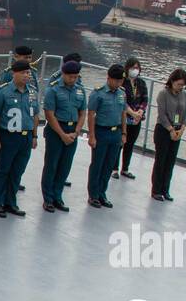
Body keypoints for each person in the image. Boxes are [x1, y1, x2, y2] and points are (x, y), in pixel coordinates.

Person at [0, 58, 40, 218]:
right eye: (24, 72)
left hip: (25, 137)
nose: (27, 76)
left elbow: (36, 114)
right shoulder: (4, 91)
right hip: (8, 136)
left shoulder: (32, 92)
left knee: (17, 171)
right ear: (14, 73)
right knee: (3, 170)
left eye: (28, 73)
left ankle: (11, 202)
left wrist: (34, 135)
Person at [40, 59, 86, 213]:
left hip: (73, 130)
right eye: (71, 77)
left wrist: (77, 131)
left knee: (65, 165)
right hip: (56, 130)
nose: (73, 80)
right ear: (64, 74)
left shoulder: (80, 90)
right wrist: (62, 134)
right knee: (52, 165)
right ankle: (48, 198)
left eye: (76, 77)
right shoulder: (53, 90)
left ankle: (57, 196)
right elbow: (49, 114)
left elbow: (83, 112)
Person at [86, 64, 127, 209]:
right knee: (97, 164)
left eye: (120, 81)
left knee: (109, 165)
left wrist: (123, 133)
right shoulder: (98, 93)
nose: (118, 83)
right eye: (116, 80)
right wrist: (92, 136)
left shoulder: (122, 93)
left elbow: (123, 113)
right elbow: (91, 114)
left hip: (115, 133)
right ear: (108, 78)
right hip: (102, 131)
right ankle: (93, 195)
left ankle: (102, 193)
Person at [150, 69, 186, 202]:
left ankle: (165, 189)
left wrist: (182, 129)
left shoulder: (183, 95)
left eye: (182, 85)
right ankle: (156, 190)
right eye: (178, 84)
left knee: (170, 162)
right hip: (163, 130)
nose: (180, 88)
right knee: (161, 161)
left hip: (177, 131)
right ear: (172, 81)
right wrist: (171, 130)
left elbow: (185, 113)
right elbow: (162, 114)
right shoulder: (163, 94)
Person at [116, 57, 148, 180]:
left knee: (130, 145)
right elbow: (122, 101)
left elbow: (145, 99)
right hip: (124, 118)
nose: (135, 70)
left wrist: (139, 112)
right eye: (132, 67)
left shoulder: (141, 83)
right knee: (120, 143)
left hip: (136, 119)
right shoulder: (122, 83)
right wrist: (132, 113)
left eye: (137, 68)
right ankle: (114, 168)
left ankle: (125, 169)